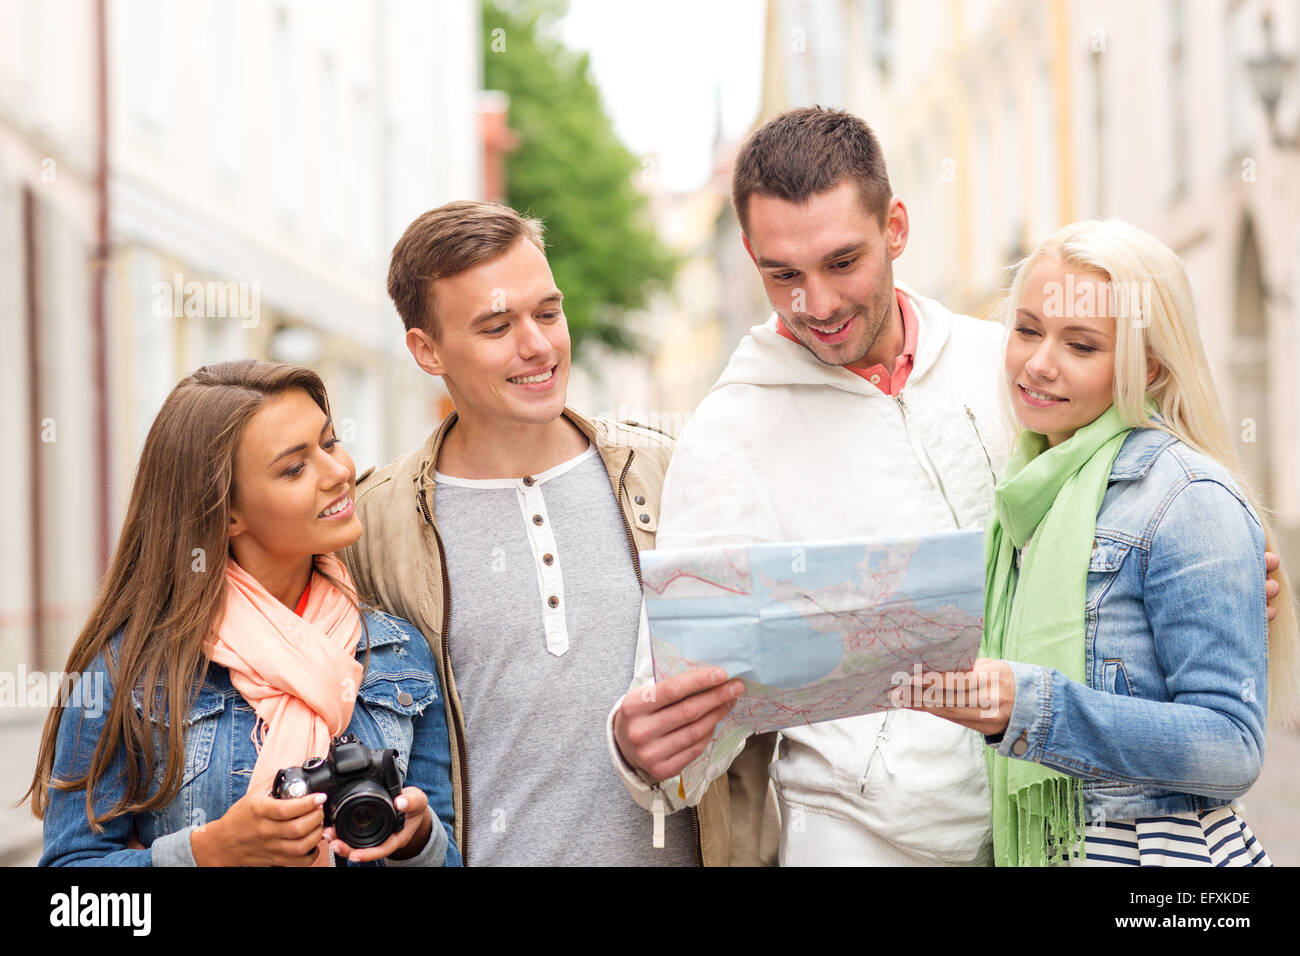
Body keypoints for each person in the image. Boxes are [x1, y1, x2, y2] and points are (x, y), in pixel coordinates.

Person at [609, 106, 1285, 866]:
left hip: (1045, 827)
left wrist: (1205, 584)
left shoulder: (1005, 360)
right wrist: (642, 749)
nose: (818, 305)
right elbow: (678, 699)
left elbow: (1114, 526)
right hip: (866, 841)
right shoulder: (729, 433)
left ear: (896, 226)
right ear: (750, 255)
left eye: (842, 262)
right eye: (782, 275)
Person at [339, 200, 737, 865]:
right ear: (426, 349)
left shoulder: (668, 474)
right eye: (497, 326)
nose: (538, 346)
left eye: (548, 313)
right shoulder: (372, 527)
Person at [896, 219, 1297, 866]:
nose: (1039, 363)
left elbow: (1232, 747)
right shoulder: (1029, 492)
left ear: (1149, 365)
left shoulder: (1187, 496)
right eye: (1027, 330)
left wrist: (1027, 706)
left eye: (1080, 346)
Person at [30, 360, 459, 867]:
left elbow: (446, 857)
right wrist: (209, 853)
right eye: (295, 467)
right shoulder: (128, 671)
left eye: (329, 442)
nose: (340, 472)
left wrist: (417, 838)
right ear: (226, 511)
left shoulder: (399, 652)